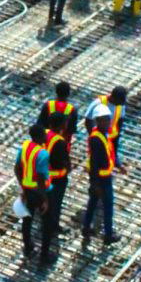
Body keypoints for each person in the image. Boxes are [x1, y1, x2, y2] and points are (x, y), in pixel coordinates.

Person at [81, 116, 126, 244]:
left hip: (104, 177)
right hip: (102, 179)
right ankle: (108, 235)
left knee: (93, 202)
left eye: (108, 120)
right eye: (105, 120)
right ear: (98, 121)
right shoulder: (96, 139)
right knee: (108, 206)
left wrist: (119, 165)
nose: (108, 123)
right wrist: (95, 184)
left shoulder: (104, 135)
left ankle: (86, 228)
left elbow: (111, 152)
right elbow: (94, 163)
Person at [14, 124, 51, 261]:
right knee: (47, 223)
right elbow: (41, 178)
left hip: (28, 190)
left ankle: (28, 247)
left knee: (27, 220)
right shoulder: (43, 154)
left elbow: (17, 168)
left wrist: (22, 186)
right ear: (41, 136)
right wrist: (45, 199)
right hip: (39, 193)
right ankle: (44, 255)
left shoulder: (24, 148)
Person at [42, 111, 72, 257]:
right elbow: (63, 161)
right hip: (57, 178)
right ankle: (53, 227)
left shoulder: (44, 133)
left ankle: (50, 224)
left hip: (43, 176)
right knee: (55, 204)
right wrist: (68, 168)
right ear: (62, 125)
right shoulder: (59, 141)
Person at [87, 85, 127, 151]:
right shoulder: (98, 102)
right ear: (114, 98)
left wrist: (116, 136)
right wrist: (93, 137)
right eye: (119, 102)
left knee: (112, 160)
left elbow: (120, 121)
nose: (120, 104)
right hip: (99, 138)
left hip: (112, 140)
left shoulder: (121, 106)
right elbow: (88, 120)